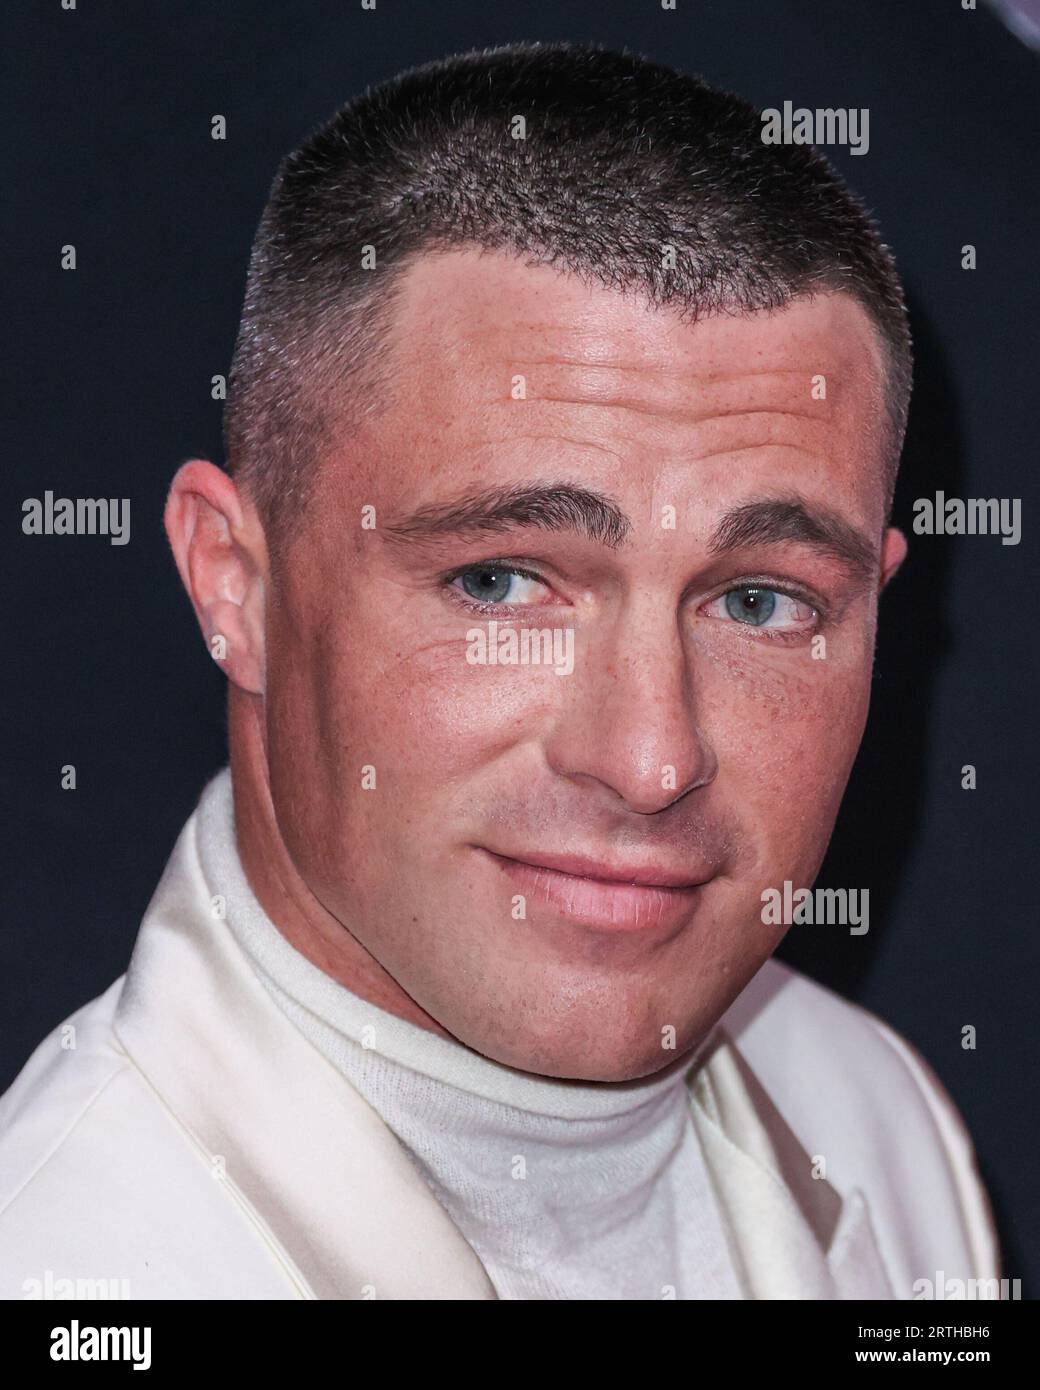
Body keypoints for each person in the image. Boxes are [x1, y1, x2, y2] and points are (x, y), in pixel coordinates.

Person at [0, 41, 998, 1301]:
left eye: (759, 601)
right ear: (233, 583)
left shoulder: (877, 1113)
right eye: (500, 581)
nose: (649, 761)